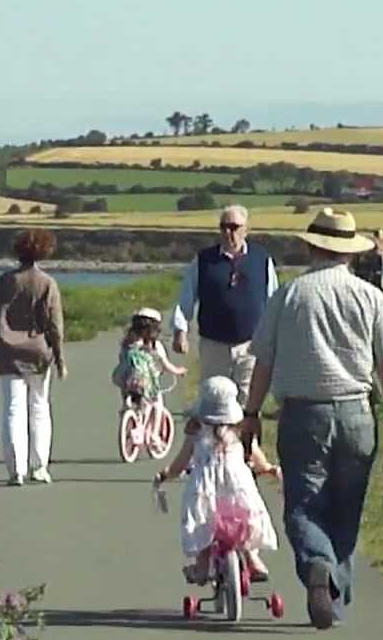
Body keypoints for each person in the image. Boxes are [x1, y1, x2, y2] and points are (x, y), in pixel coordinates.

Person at [241, 207, 383, 630]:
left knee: (303, 502)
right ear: (351, 252)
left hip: (303, 413)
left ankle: (319, 568)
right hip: (357, 412)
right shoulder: (371, 296)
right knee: (346, 506)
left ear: (310, 246)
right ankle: (334, 592)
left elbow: (262, 362)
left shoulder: (289, 296)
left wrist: (250, 414)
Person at [152, 376, 280, 586]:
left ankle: (202, 566)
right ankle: (253, 559)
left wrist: (165, 474)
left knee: (204, 522)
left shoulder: (196, 433)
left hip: (205, 488)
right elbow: (258, 460)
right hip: (238, 485)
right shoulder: (242, 433)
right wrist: (269, 469)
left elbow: (180, 463)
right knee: (245, 518)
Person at [171, 204, 279, 407]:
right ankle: (213, 438)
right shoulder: (204, 260)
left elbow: (273, 300)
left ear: (245, 229)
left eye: (234, 227)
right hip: (214, 345)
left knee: (246, 400)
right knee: (213, 396)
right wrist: (180, 331)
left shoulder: (262, 259)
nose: (229, 232)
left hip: (251, 344)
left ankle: (244, 439)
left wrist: (275, 339)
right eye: (224, 227)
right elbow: (186, 296)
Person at [0, 229, 67, 486]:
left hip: (7, 352)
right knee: (40, 408)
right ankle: (39, 467)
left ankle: (15, 470)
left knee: (12, 409)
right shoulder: (47, 283)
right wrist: (60, 359)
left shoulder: (6, 281)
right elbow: (55, 326)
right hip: (39, 353)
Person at [112, 308, 187, 443]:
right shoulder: (155, 346)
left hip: (125, 378)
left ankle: (126, 407)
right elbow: (166, 365)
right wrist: (178, 371)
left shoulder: (127, 344)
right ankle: (153, 435)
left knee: (128, 390)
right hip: (145, 382)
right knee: (157, 403)